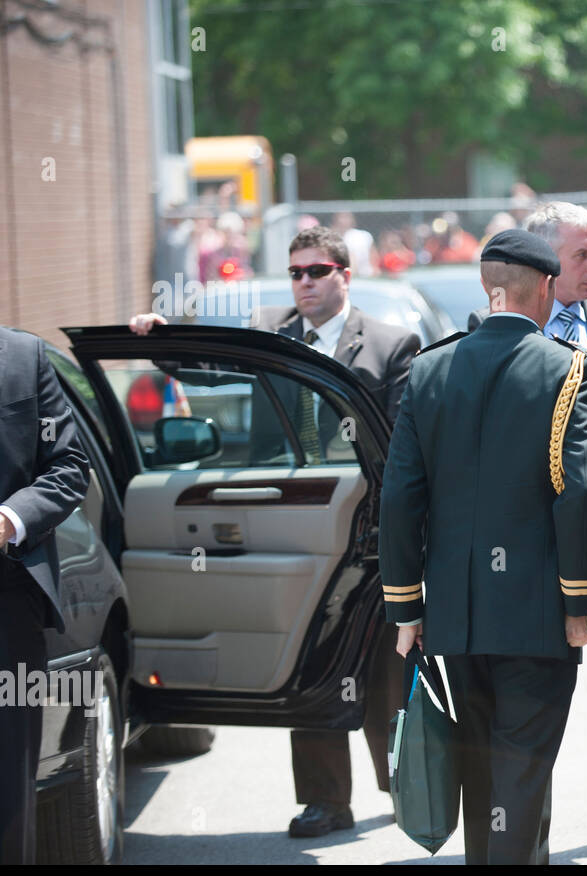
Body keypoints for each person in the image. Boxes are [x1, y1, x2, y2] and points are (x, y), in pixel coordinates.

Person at [130, 226, 419, 838]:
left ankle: (405, 784)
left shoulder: (393, 344)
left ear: (346, 274)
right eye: (296, 273)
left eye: (317, 271)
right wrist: (162, 343)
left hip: (367, 530)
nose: (305, 283)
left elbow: (401, 444)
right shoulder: (271, 336)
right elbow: (207, 369)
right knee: (310, 657)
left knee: (382, 667)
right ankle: (325, 801)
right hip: (294, 520)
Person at [379, 229, 587, 864]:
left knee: (485, 773)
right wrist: (579, 600)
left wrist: (406, 608)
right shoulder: (569, 369)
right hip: (537, 616)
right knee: (522, 773)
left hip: (457, 617)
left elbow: (400, 497)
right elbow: (582, 493)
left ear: (491, 289)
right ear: (542, 289)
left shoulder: (428, 369)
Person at [467, 202, 587, 831]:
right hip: (525, 553)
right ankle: (524, 834)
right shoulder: (489, 329)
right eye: (582, 254)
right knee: (529, 702)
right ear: (545, 263)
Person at [0, 326, 91, 864]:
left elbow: (68, 465)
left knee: (9, 777)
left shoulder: (23, 357)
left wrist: (11, 520)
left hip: (7, 601)